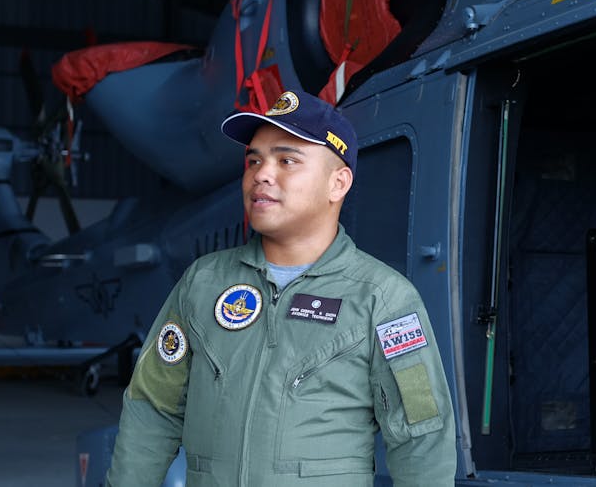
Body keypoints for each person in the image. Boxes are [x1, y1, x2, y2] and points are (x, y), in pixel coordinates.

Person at [106, 89, 456, 486]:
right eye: (254, 160)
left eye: (287, 160)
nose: (262, 174)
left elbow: (421, 438)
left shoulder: (382, 298)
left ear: (337, 183)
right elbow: (152, 409)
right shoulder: (203, 283)